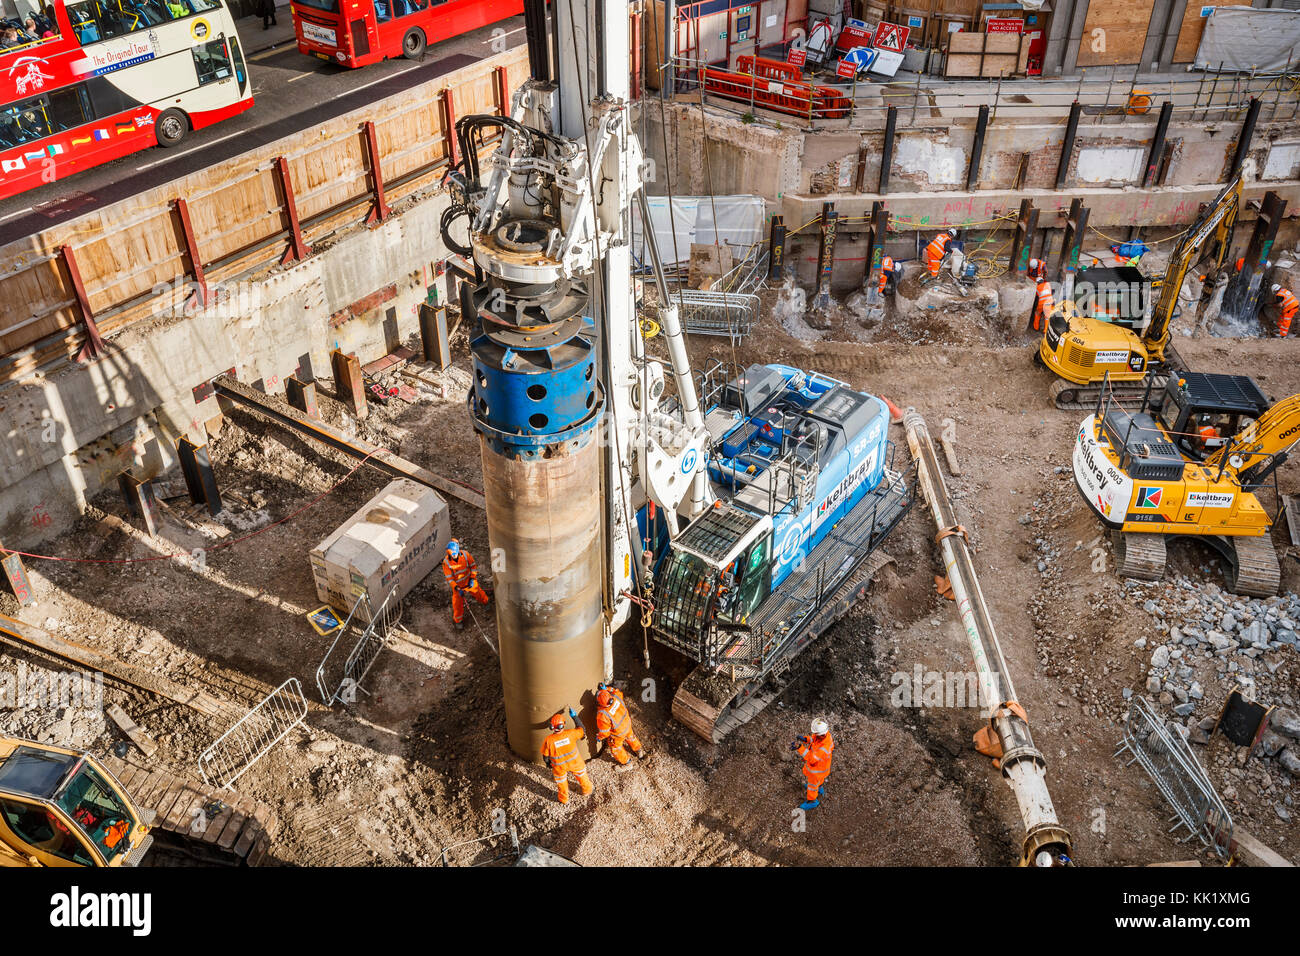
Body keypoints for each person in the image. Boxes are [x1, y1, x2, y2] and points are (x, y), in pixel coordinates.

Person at [541, 708, 593, 804]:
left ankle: (564, 799)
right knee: (582, 776)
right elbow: (582, 730)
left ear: (551, 727)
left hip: (559, 767)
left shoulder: (548, 740)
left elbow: (545, 756)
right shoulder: (570, 734)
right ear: (563, 725)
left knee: (562, 784)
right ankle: (587, 790)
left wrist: (548, 764)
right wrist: (574, 717)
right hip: (575, 763)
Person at [441, 538, 489, 630]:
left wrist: (472, 578)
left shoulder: (466, 555)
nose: (453, 557)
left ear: (457, 552)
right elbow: (450, 579)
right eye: (451, 555)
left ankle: (486, 602)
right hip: (458, 587)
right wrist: (456, 588)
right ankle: (458, 621)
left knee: (478, 592)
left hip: (469, 581)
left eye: (454, 555)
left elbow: (473, 567)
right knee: (457, 604)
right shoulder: (446, 563)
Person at [595, 683, 645, 766]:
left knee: (616, 748)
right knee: (631, 737)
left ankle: (627, 763)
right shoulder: (616, 697)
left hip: (618, 734)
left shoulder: (602, 715)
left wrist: (599, 737)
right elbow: (617, 691)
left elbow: (605, 732)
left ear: (600, 703)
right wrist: (606, 688)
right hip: (627, 725)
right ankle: (639, 750)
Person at [792, 717, 834, 810]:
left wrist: (800, 747)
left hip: (816, 771)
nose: (814, 735)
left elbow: (811, 759)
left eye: (815, 734)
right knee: (819, 781)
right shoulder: (825, 735)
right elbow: (814, 740)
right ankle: (820, 788)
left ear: (821, 735)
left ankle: (812, 801)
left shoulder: (824, 748)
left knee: (812, 787)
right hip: (823, 768)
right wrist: (805, 739)